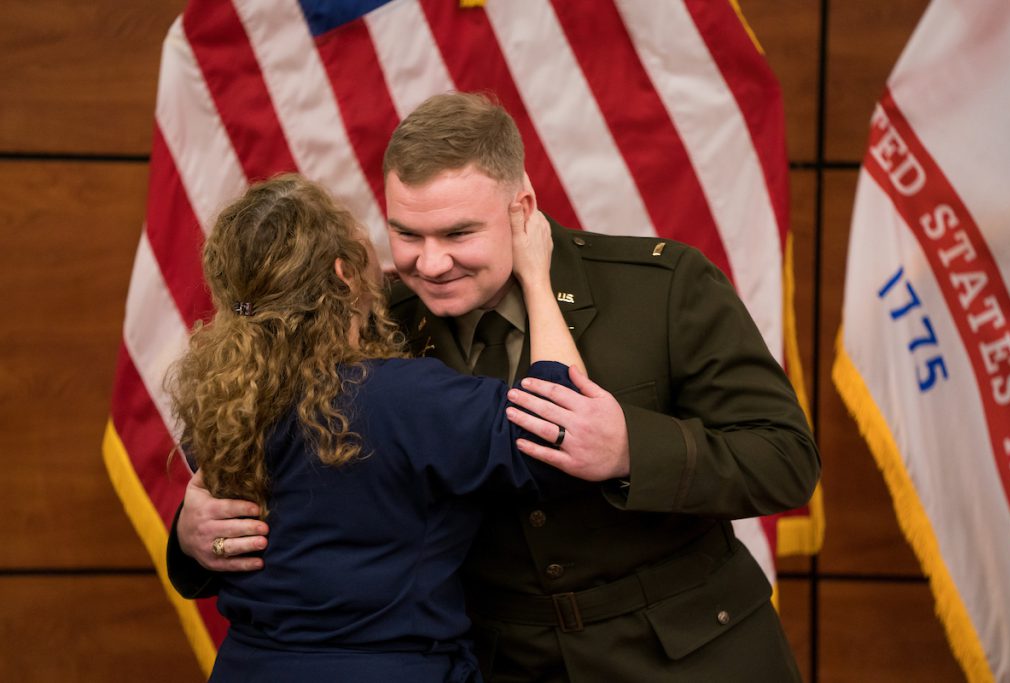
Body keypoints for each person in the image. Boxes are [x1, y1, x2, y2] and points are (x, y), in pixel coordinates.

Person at [169, 92, 820, 682]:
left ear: (521, 210)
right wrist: (193, 531)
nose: (429, 262)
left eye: (458, 233)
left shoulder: (663, 288)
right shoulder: (366, 321)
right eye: (406, 234)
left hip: (684, 656)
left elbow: (785, 460)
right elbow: (296, 481)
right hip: (502, 661)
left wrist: (630, 450)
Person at [165, 172, 616, 682]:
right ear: (344, 272)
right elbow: (560, 429)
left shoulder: (222, 400)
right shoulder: (401, 398)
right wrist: (537, 278)